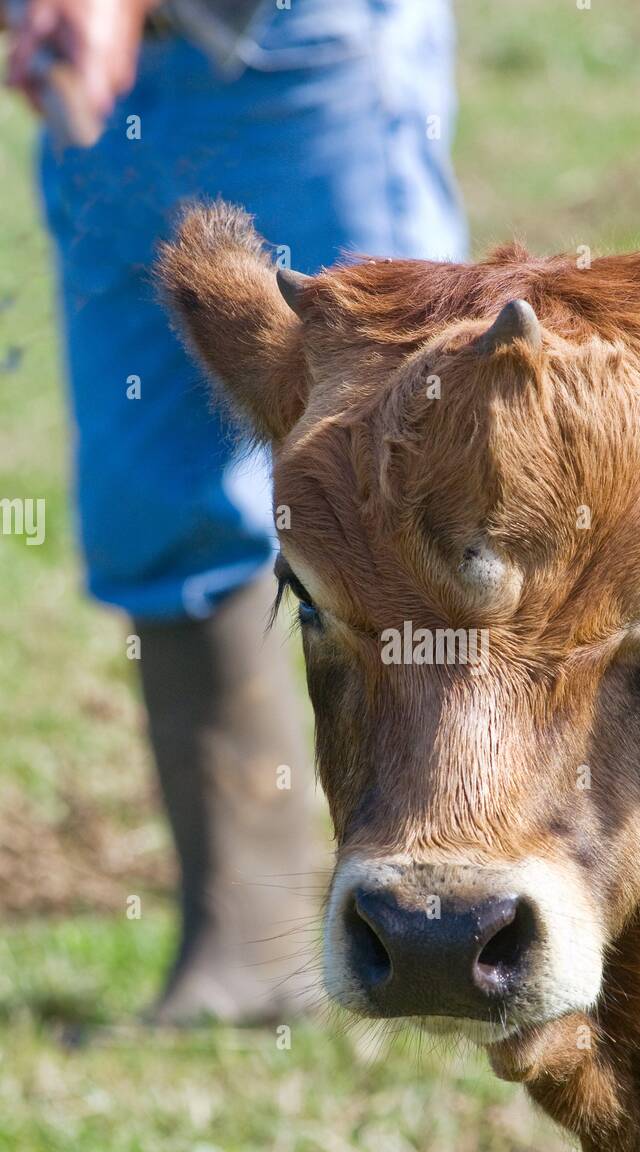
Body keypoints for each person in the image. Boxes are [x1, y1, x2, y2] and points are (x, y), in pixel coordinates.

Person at [6, 0, 467, 1021]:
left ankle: (455, 909)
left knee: (400, 472)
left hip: (297, 50)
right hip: (104, 78)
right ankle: (243, 947)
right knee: (157, 495)